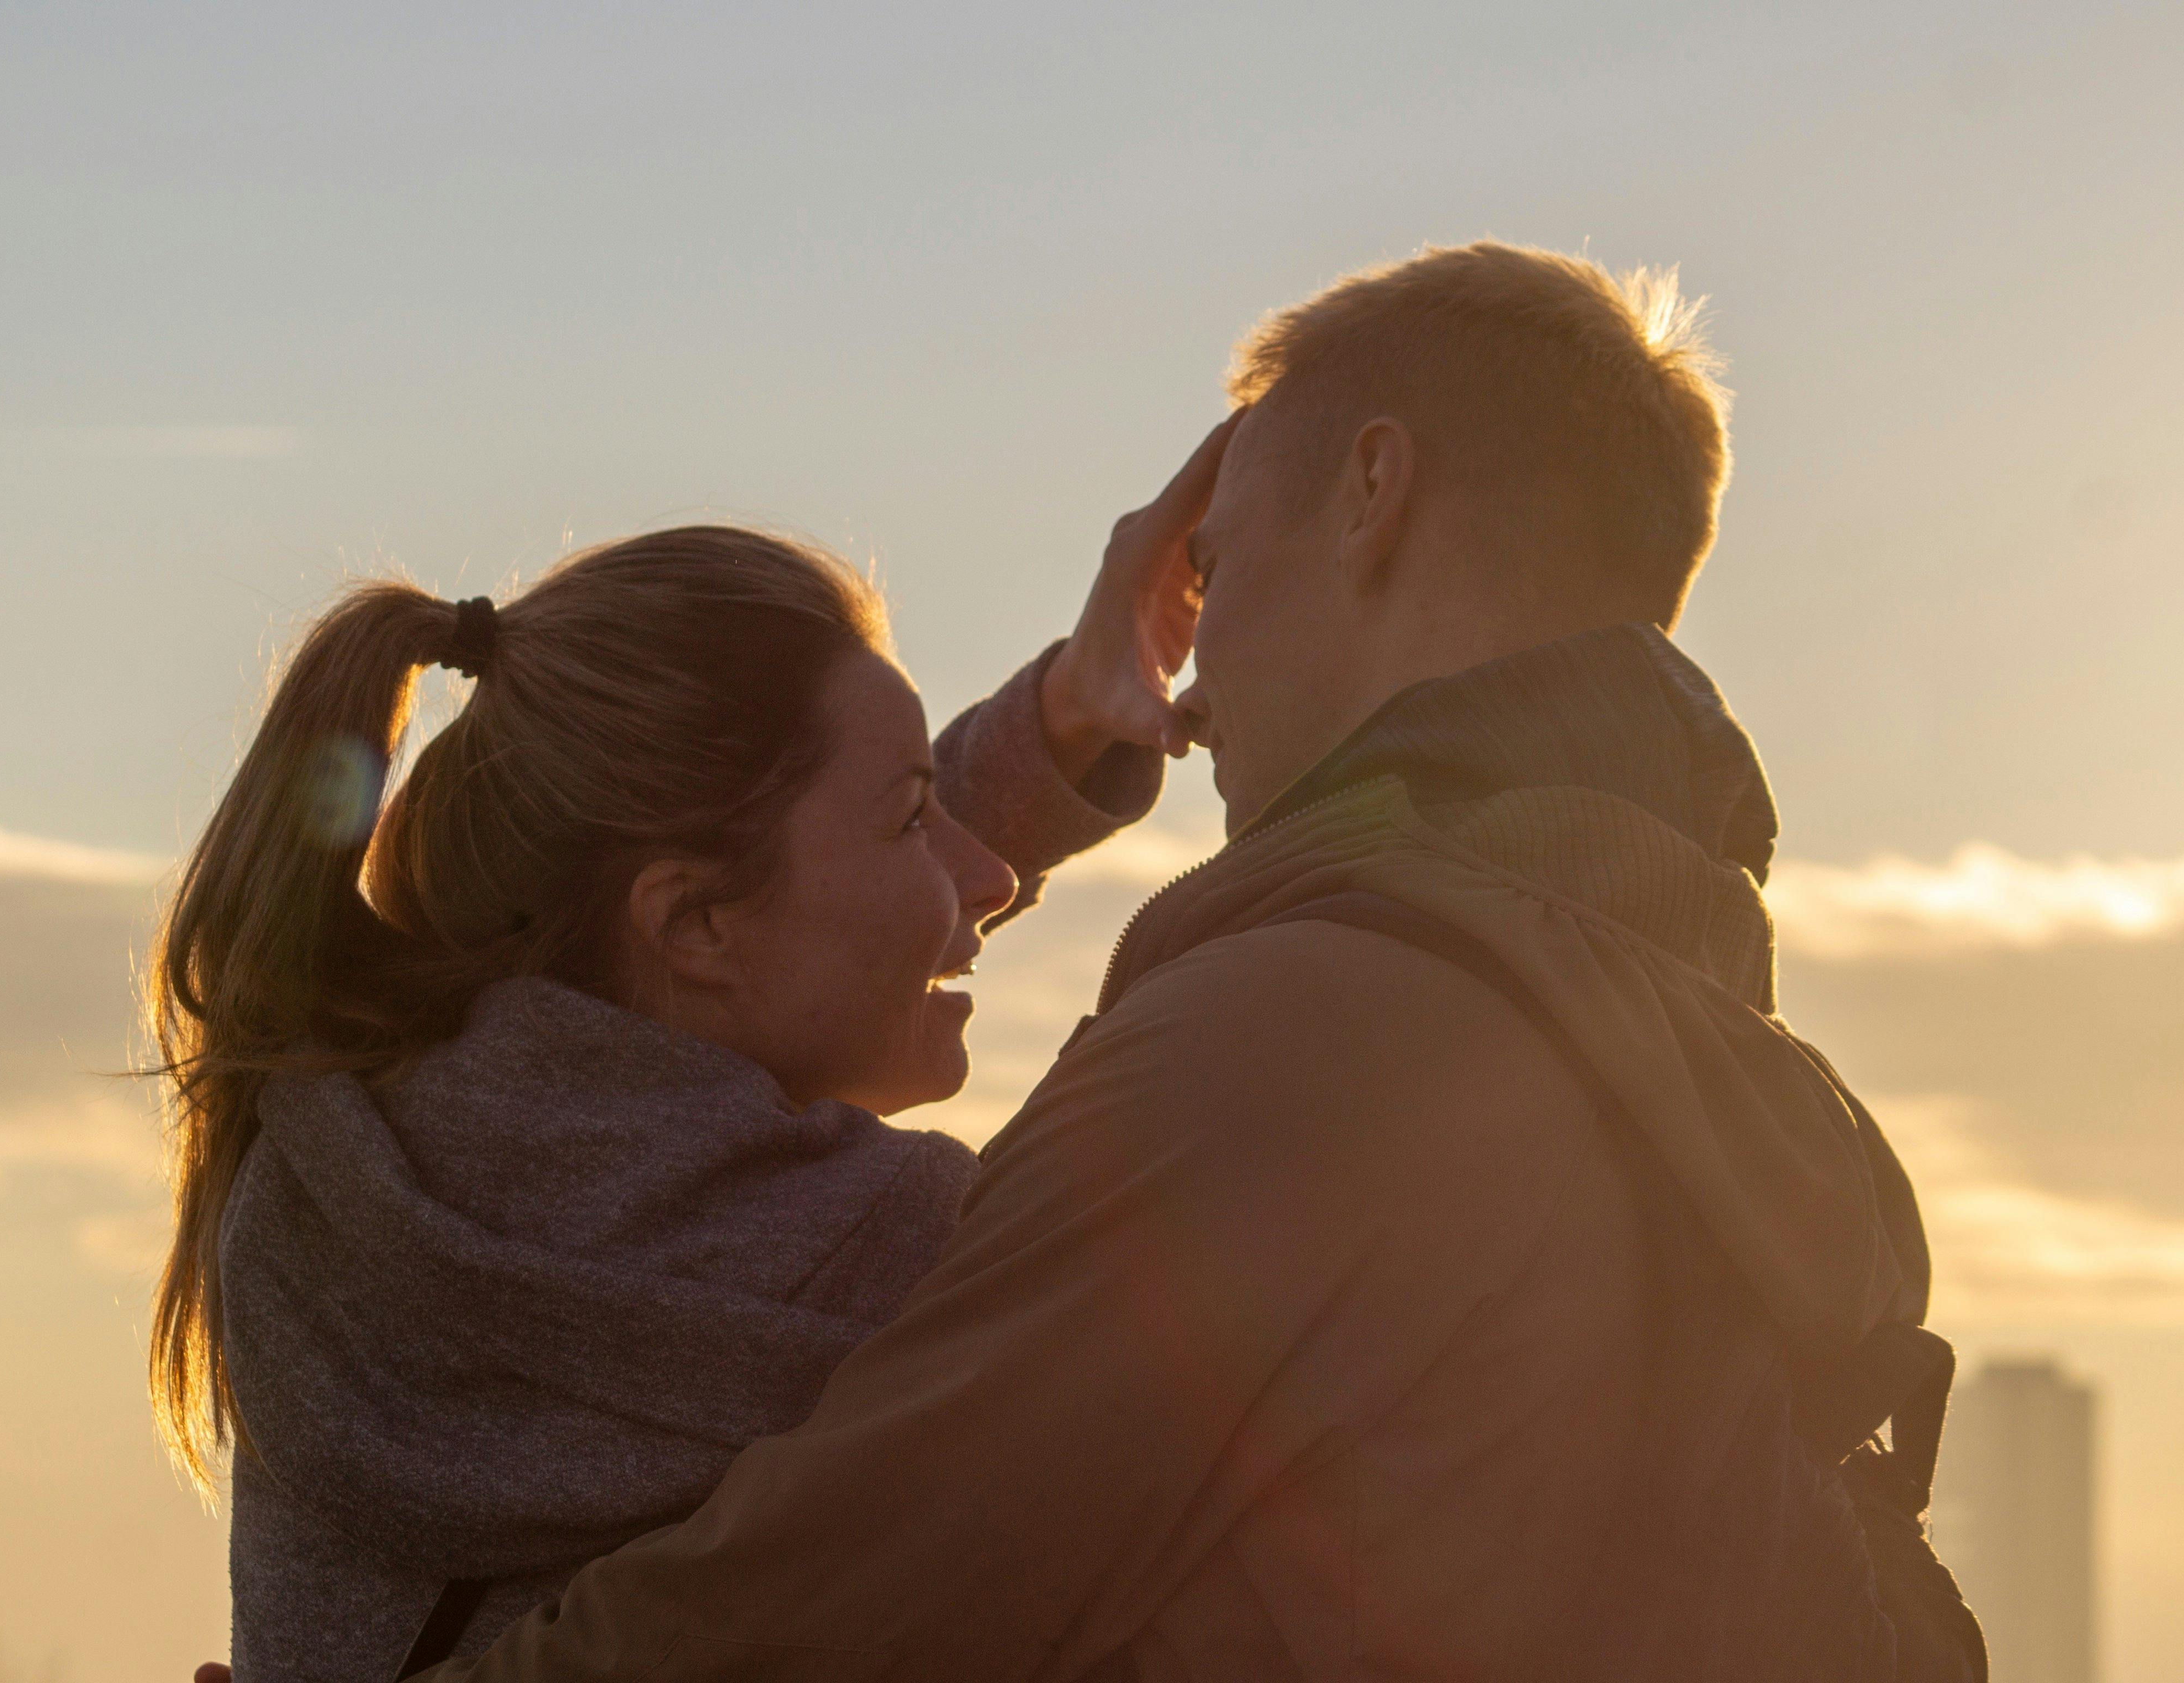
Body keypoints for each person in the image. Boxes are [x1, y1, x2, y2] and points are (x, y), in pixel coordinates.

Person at [412, 241, 1977, 1681]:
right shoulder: (1650, 997)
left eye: (1213, 578)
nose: (1197, 692)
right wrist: (1054, 732)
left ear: (1374, 492)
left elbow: (816, 1613)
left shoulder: (1310, 1045)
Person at [147, 526, 1189, 1681]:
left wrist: (1049, 734)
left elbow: (794, 873)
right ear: (691, 924)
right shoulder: (901, 1256)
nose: (986, 879)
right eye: (912, 816)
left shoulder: (319, 1161)